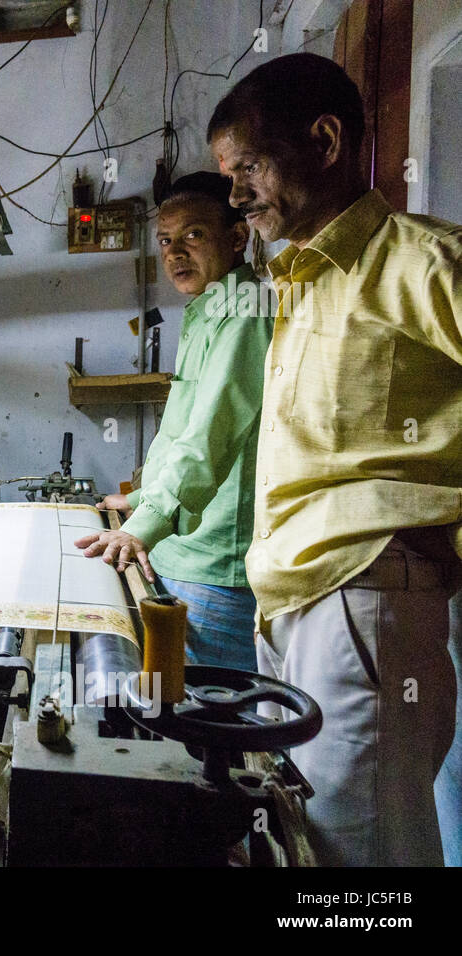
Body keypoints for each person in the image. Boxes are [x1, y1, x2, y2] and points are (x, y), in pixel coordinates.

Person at [209, 52, 461, 866]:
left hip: (366, 595)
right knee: (308, 845)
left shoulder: (420, 264)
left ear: (325, 141)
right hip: (292, 603)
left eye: (248, 166)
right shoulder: (301, 283)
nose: (236, 194)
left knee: (366, 861)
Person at [74, 172, 271, 671]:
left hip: (214, 568)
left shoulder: (245, 312)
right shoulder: (210, 307)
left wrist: (145, 524)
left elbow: (213, 434)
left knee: (211, 721)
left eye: (193, 235)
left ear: (238, 237)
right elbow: (181, 430)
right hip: (184, 553)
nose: (174, 252)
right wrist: (140, 501)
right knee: (183, 711)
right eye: (165, 240)